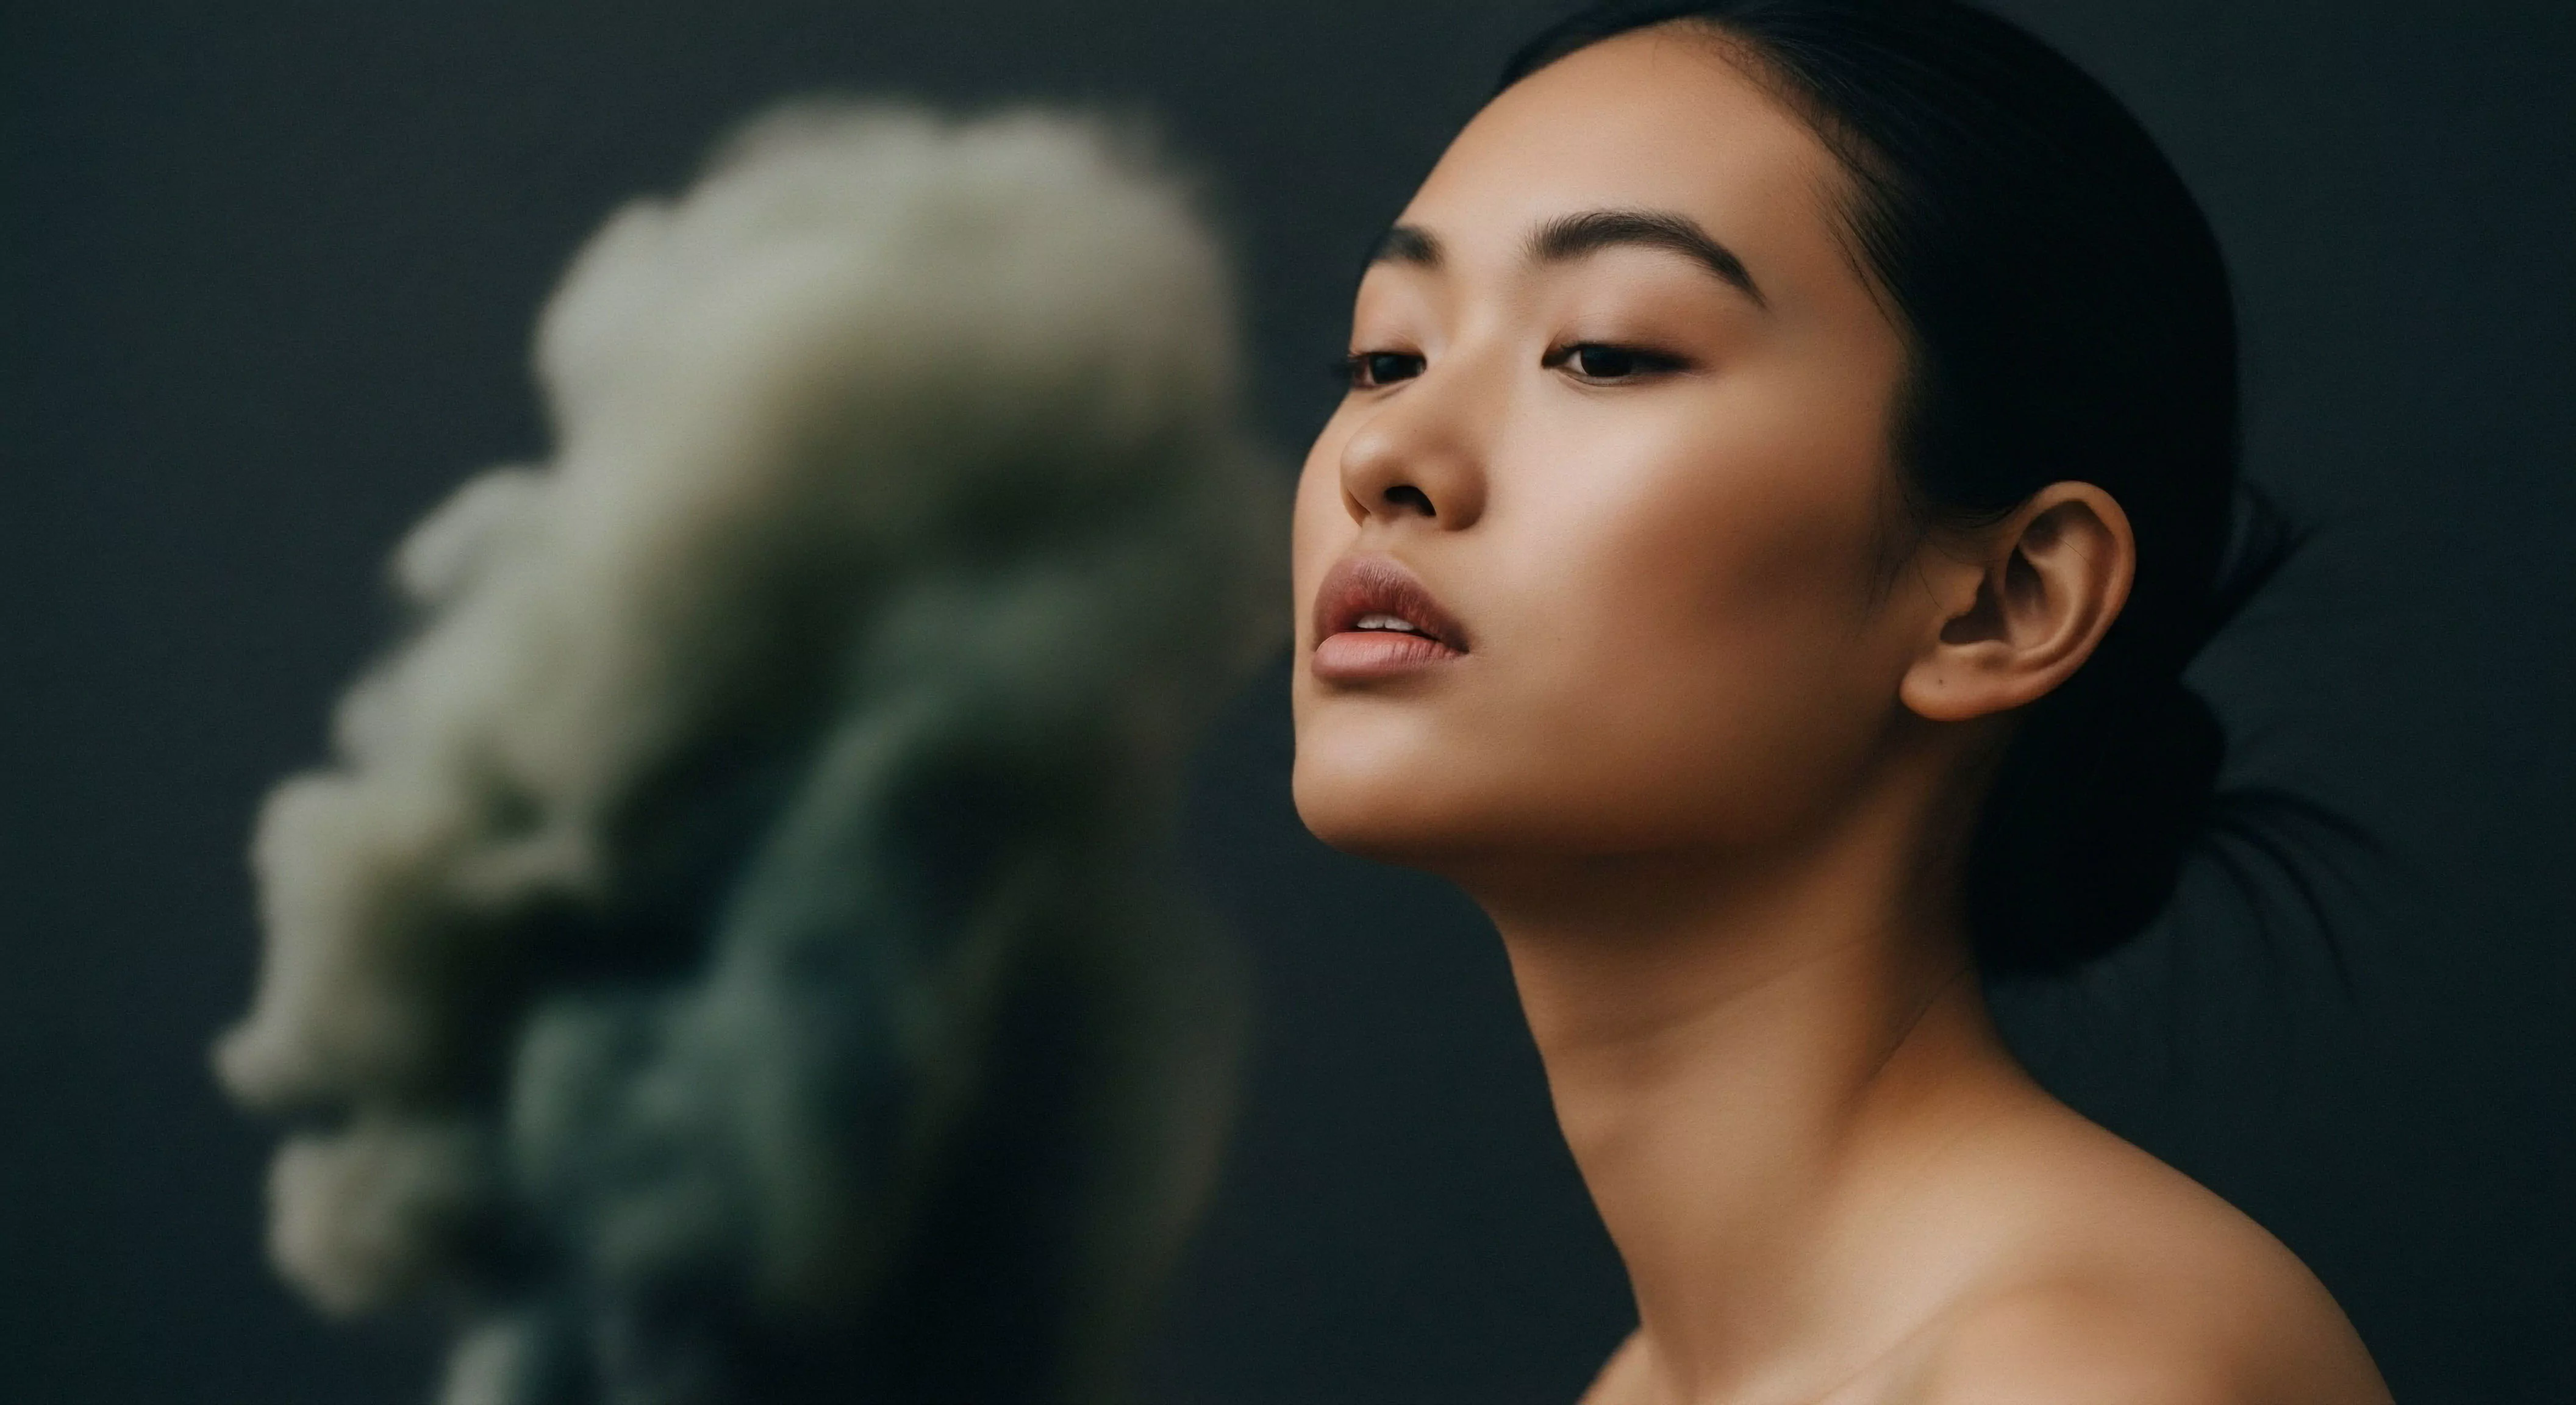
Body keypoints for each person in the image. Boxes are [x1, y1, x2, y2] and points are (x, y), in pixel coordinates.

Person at [1286, 1, 2394, 1399]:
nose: (1384, 453)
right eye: (1386, 358)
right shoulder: (1655, 1383)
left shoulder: (2085, 1372)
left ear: (2007, 600)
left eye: (1606, 352)